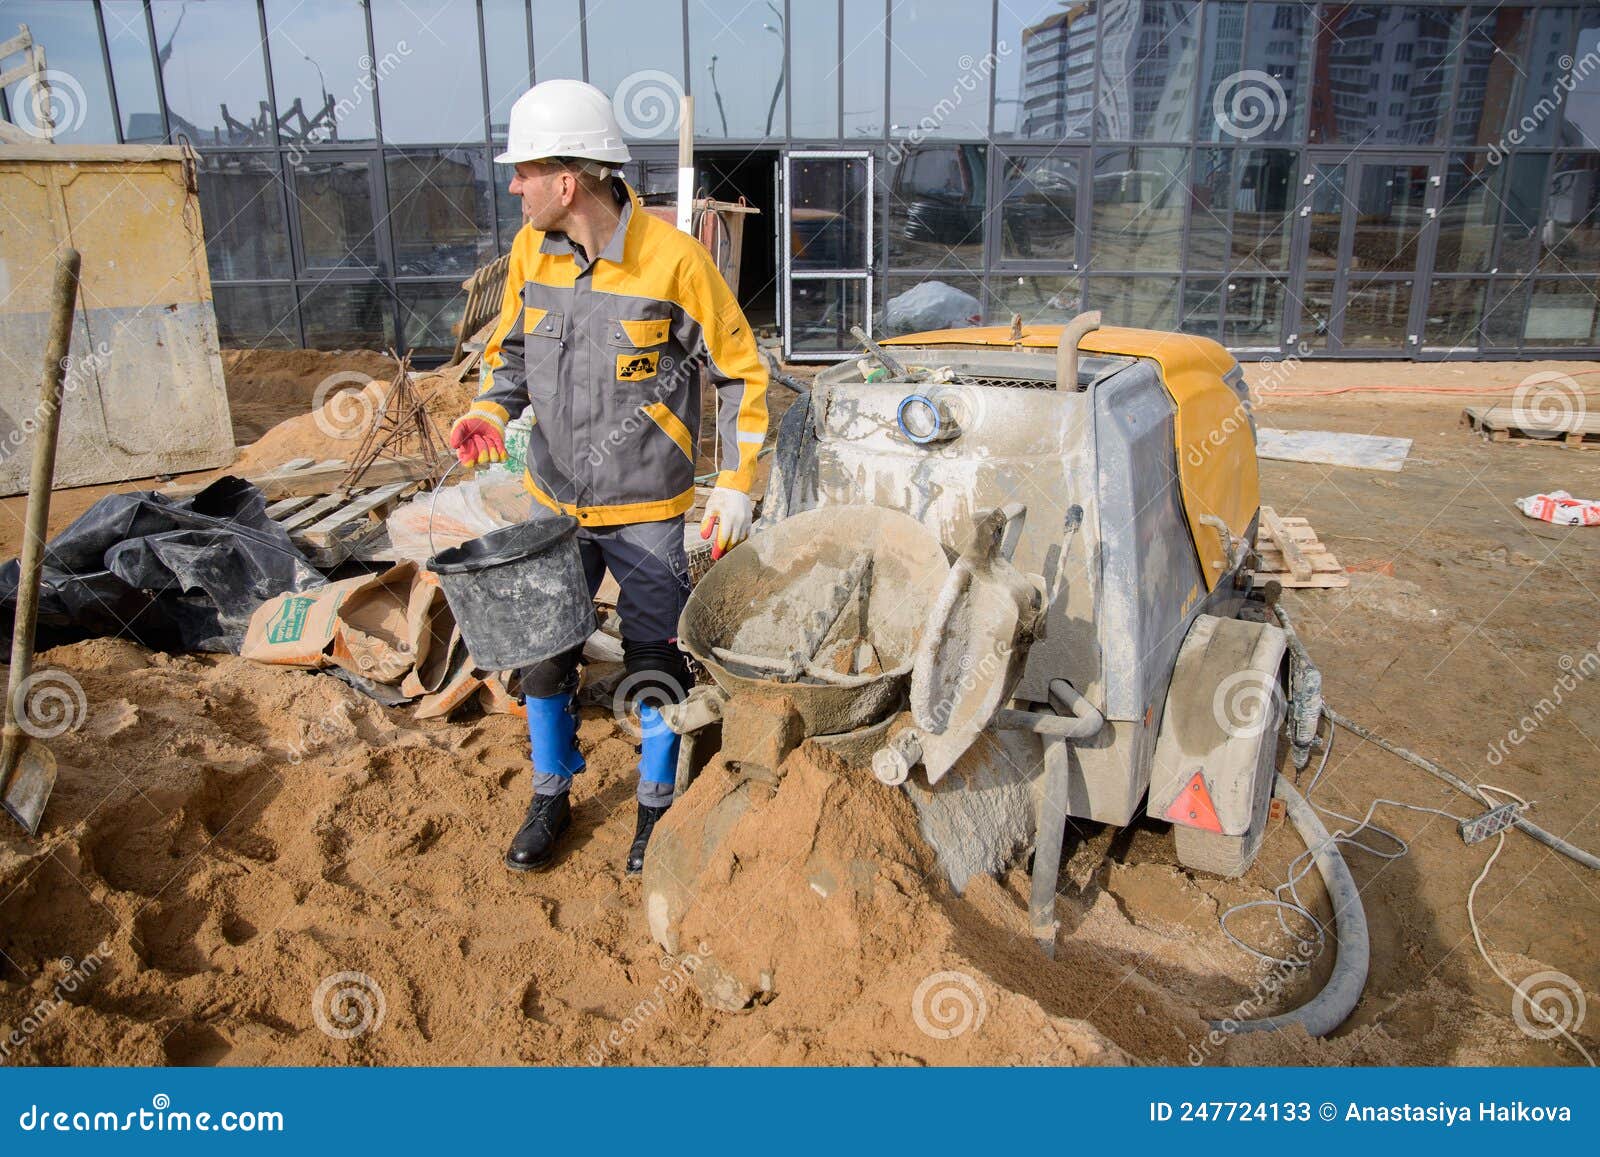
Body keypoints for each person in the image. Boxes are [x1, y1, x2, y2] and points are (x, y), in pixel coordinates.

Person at [449, 79, 767, 875]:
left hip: (649, 507)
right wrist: (492, 406)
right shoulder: (531, 251)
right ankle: (552, 791)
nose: (514, 187)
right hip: (554, 501)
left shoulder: (675, 262)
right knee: (545, 652)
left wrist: (735, 483)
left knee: (653, 658)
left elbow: (741, 372)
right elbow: (512, 353)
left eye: (524, 173)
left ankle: (654, 809)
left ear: (567, 183)